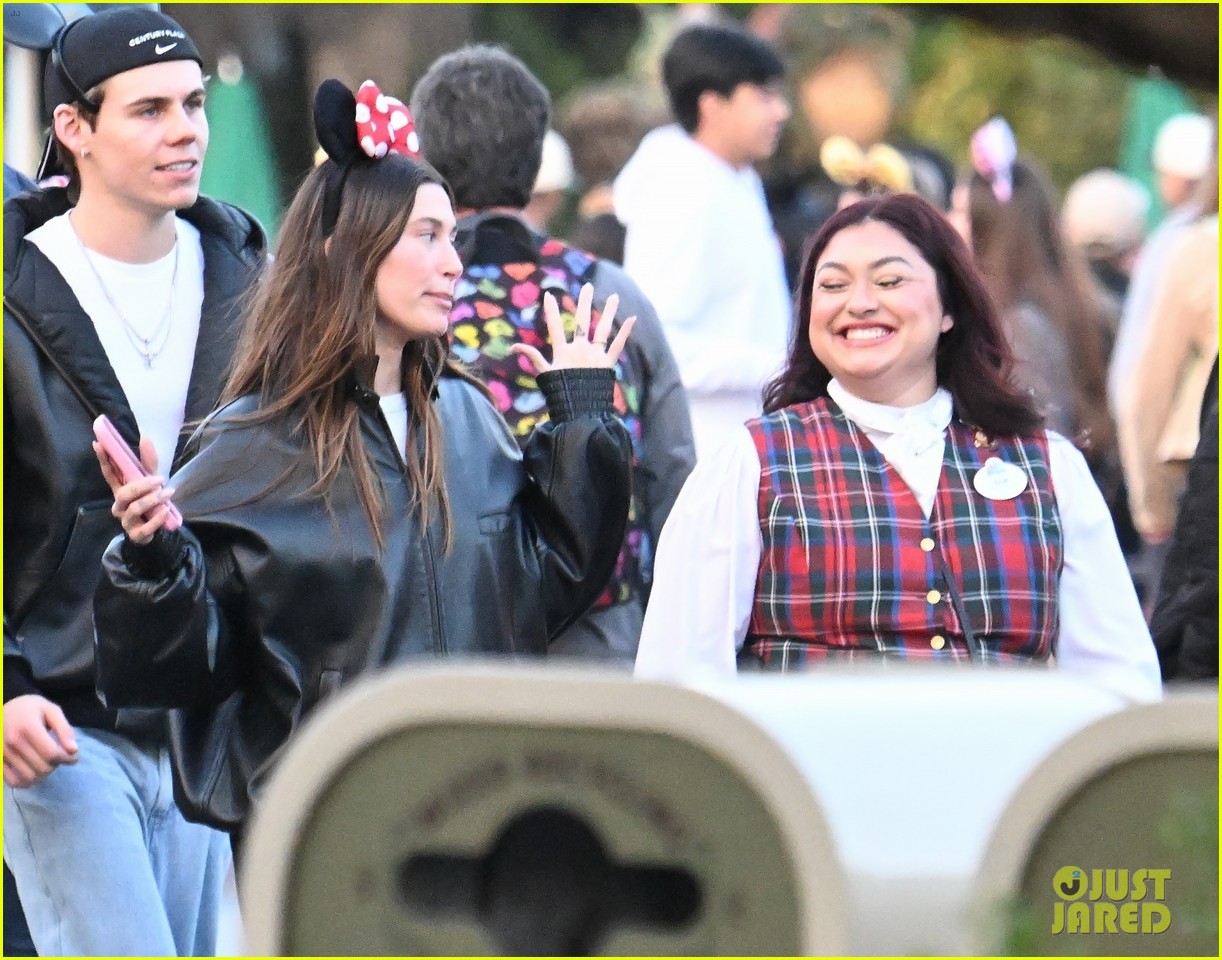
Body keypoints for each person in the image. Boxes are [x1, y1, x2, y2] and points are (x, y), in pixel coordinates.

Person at [91, 78, 634, 838]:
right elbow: (172, 671)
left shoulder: (468, 418)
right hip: (326, 824)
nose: (454, 263)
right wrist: (151, 559)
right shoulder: (250, 444)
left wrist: (580, 419)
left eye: (452, 237)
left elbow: (546, 589)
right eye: (428, 236)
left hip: (482, 806)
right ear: (345, 247)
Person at [634, 194, 1161, 704]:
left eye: (889, 280)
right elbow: (679, 681)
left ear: (949, 307)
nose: (859, 303)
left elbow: (1117, 682)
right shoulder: (751, 464)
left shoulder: (1048, 466)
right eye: (833, 284)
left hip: (1006, 784)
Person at [3, 8, 266, 955]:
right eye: (149, 109)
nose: (186, 129)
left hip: (201, 713)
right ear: (74, 127)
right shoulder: (12, 283)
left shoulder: (247, 273)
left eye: (193, 103)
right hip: (59, 720)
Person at [411, 45, 695, 662]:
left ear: (425, 155)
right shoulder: (609, 294)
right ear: (538, 157)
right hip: (600, 630)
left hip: (444, 624)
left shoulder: (406, 294)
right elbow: (673, 472)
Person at [613, 22, 792, 459]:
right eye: (763, 97)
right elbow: (657, 337)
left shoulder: (738, 177)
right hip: (703, 449)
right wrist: (779, 367)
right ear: (712, 105)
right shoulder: (681, 187)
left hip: (750, 434)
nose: (781, 112)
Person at [958, 119, 1119, 502]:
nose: (950, 225)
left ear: (988, 230)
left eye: (958, 212)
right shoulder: (1074, 305)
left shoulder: (1018, 328)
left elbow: (1039, 452)